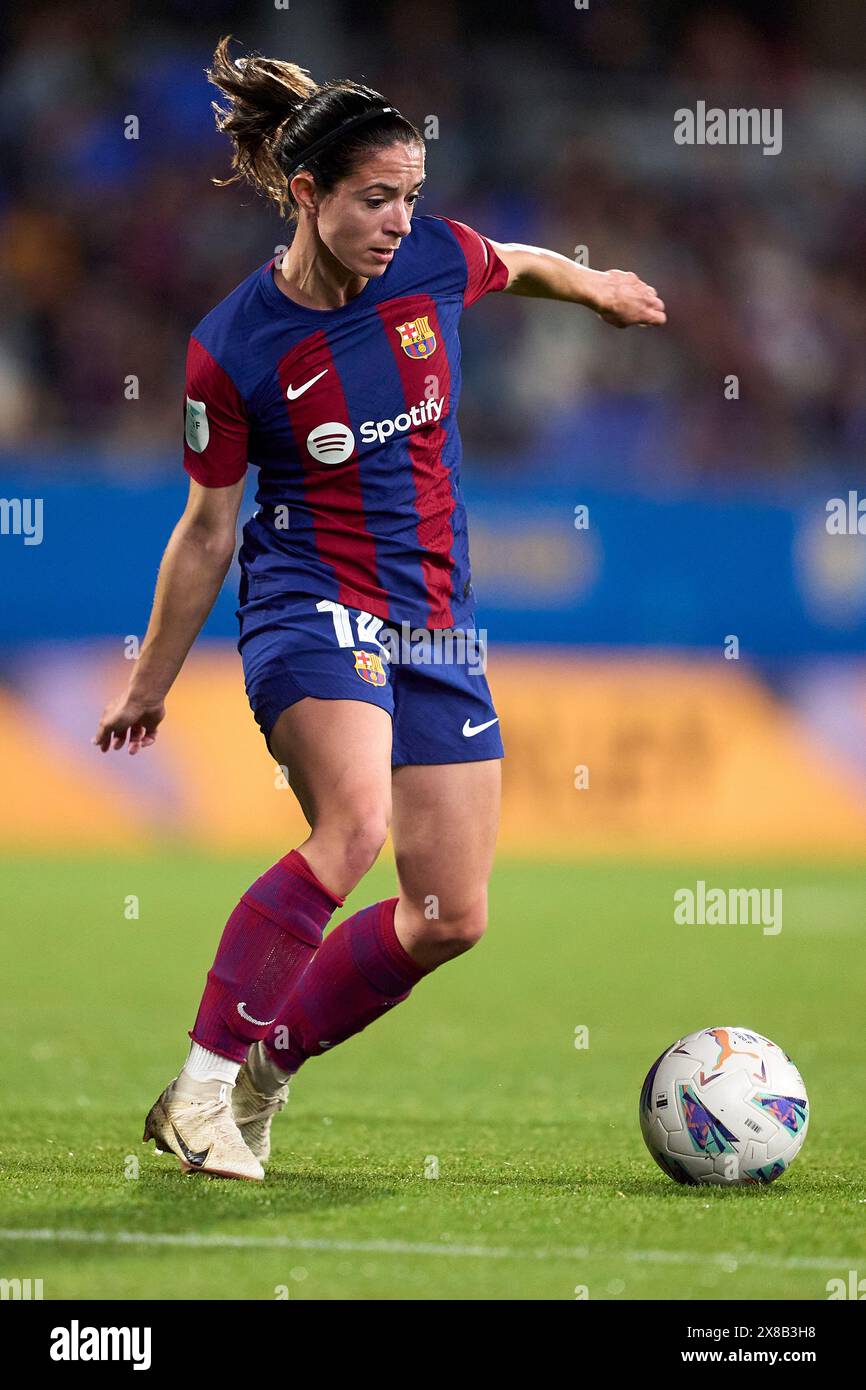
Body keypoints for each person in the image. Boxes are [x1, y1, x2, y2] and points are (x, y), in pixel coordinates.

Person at [93, 37, 666, 1181]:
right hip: (310, 602)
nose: (399, 220)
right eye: (373, 199)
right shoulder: (233, 348)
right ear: (306, 195)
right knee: (351, 826)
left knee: (450, 912)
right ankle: (200, 1090)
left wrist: (594, 287)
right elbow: (207, 528)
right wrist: (150, 682)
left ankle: (263, 1078)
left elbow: (518, 260)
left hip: (436, 626)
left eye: (410, 195)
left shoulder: (435, 263)